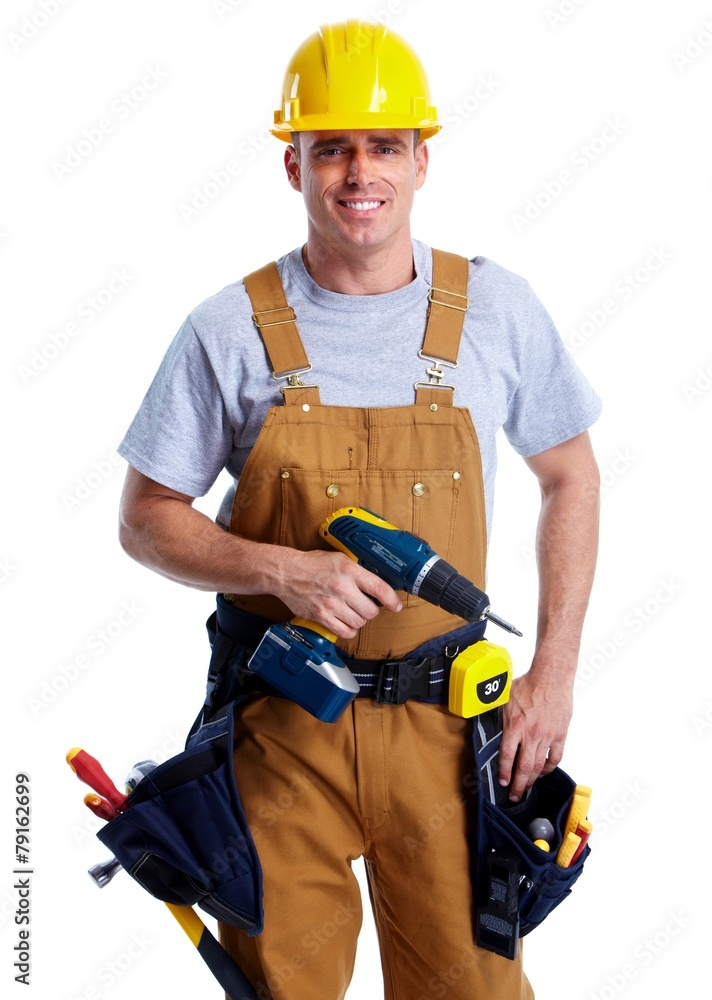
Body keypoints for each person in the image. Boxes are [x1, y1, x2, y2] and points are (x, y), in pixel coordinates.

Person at [117, 19, 601, 1000]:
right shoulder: (229, 328)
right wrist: (279, 569)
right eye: (330, 147)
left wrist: (551, 675)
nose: (357, 172)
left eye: (381, 146)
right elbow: (146, 516)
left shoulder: (494, 310)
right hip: (282, 735)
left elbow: (572, 476)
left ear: (422, 159)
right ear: (290, 162)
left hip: (451, 736)